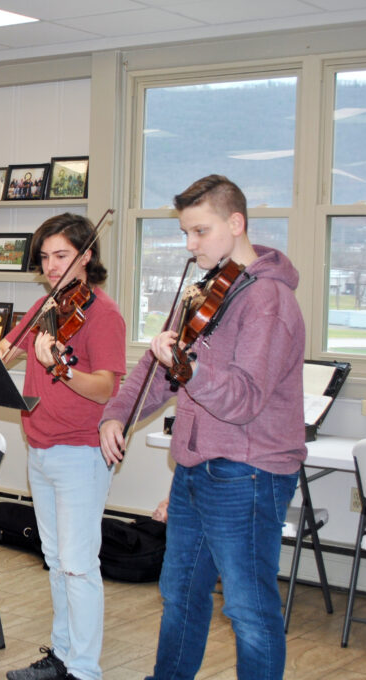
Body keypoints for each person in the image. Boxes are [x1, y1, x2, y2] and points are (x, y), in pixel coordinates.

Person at [99, 175, 305, 680]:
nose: (190, 246)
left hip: (248, 473)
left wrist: (189, 362)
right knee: (180, 592)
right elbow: (157, 370)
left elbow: (243, 399)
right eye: (186, 233)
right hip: (195, 468)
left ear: (236, 224)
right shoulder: (208, 290)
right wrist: (116, 413)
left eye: (200, 231)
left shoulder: (269, 301)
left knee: (248, 609)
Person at [0, 213, 126, 680]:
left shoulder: (104, 314)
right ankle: (63, 655)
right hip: (42, 447)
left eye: (62, 256)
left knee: (78, 565)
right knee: (55, 561)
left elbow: (106, 389)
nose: (51, 267)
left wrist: (62, 369)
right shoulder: (44, 305)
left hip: (81, 452)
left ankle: (85, 670)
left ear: (86, 255)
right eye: (45, 258)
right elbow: (3, 353)